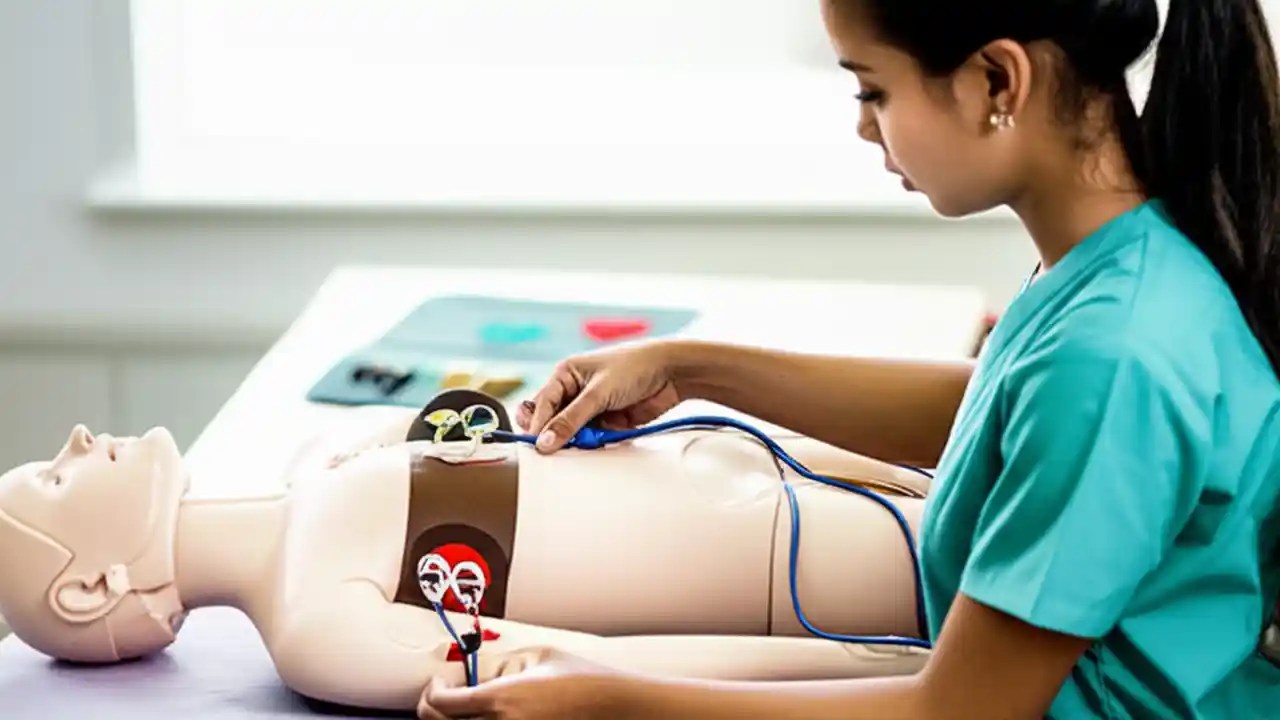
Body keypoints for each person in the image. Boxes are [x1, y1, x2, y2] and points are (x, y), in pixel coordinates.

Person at [416, 1, 1280, 718]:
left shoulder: (1116, 350)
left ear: (996, 80)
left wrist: (613, 706)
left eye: (874, 90)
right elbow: (997, 409)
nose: (865, 126)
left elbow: (958, 712)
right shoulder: (1123, 260)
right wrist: (693, 367)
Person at [0, 390, 936, 714]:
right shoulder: (316, 625)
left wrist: (837, 455)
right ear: (91, 589)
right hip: (808, 576)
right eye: (51, 479)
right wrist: (867, 668)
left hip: (783, 465)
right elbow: (605, 668)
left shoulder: (324, 453)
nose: (77, 438)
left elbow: (538, 436)